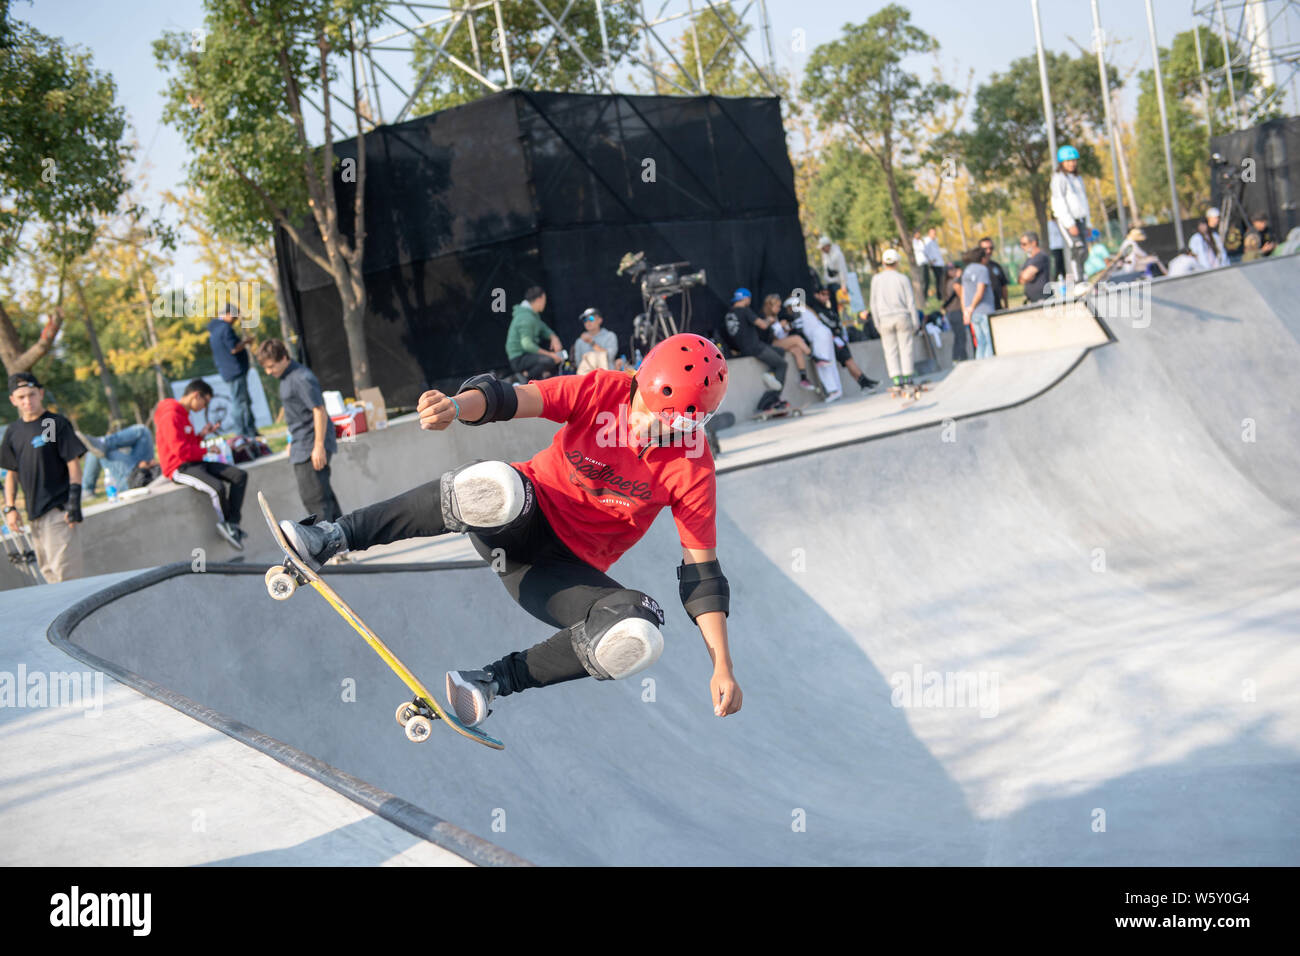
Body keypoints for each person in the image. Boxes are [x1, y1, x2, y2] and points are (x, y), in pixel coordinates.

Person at [275, 333, 742, 729]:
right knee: (499, 484)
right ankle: (331, 538)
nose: (643, 429)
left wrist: (721, 664)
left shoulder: (692, 466)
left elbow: (701, 574)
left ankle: (488, 682)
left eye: (662, 426)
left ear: (689, 425)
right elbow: (512, 397)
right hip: (516, 519)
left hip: (556, 576)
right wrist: (456, 406)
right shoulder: (603, 391)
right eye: (643, 411)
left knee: (639, 627)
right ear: (638, 381)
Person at [1, 372, 85, 583]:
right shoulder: (13, 432)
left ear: (41, 393)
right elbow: (12, 473)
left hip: (58, 512)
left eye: (31, 395)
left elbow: (72, 464)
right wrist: (10, 508)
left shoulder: (52, 424)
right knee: (49, 576)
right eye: (21, 397)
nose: (27, 401)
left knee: (67, 578)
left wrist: (74, 501)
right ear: (13, 400)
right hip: (34, 516)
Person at [155, 379, 249, 550]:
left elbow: (187, 442)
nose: (204, 408)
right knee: (217, 488)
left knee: (239, 476)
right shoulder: (171, 416)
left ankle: (233, 523)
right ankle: (226, 525)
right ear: (196, 395)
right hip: (179, 468)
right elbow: (180, 451)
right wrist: (206, 451)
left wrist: (201, 436)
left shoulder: (183, 414)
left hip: (194, 462)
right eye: (204, 403)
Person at [257, 339, 342, 525]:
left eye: (271, 366)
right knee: (321, 494)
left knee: (314, 498)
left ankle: (330, 545)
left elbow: (319, 410)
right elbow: (296, 413)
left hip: (311, 444)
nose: (269, 372)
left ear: (284, 358)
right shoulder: (285, 378)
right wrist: (291, 440)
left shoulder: (301, 378)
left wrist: (318, 446)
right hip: (301, 442)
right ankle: (343, 541)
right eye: (266, 367)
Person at [722, 288, 787, 412]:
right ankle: (771, 399)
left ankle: (771, 375)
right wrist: (769, 320)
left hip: (743, 349)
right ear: (746, 299)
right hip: (755, 347)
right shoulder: (745, 310)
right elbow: (762, 325)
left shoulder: (729, 314)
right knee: (782, 364)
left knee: (780, 351)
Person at [868, 249, 920, 396]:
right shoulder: (902, 278)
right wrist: (915, 321)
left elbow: (873, 303)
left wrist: (877, 323)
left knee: (890, 349)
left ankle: (897, 379)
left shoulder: (876, 279)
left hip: (884, 318)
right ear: (897, 262)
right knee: (906, 347)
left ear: (884, 263)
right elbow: (911, 301)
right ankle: (908, 377)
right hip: (902, 316)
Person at [809, 287, 878, 392]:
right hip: (831, 340)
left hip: (838, 338)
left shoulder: (828, 307)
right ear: (816, 295)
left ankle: (863, 383)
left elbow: (836, 321)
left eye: (827, 295)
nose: (826, 297)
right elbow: (829, 323)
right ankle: (864, 381)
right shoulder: (817, 309)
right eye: (823, 294)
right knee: (848, 360)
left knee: (848, 360)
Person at [207, 303, 258, 439]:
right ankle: (242, 433)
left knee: (243, 401)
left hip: (228, 370)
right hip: (235, 370)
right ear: (228, 314)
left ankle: (250, 430)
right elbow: (233, 348)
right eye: (234, 317)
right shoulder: (225, 329)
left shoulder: (215, 330)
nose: (235, 320)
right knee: (240, 403)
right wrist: (246, 342)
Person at [1050, 145, 1091, 286]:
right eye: (1068, 161)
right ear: (1062, 162)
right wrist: (1069, 223)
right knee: (1077, 248)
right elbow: (1058, 202)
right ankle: (1077, 281)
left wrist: (1089, 223)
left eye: (1073, 160)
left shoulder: (1077, 178)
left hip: (1080, 218)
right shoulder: (1058, 179)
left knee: (1085, 251)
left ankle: (1083, 276)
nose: (1071, 164)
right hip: (1067, 220)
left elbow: (1084, 201)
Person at [78, 424, 157, 497]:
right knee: (142, 430)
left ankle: (87, 490)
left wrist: (145, 467)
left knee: (97, 450)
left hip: (135, 478)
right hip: (143, 468)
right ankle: (104, 442)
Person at [506, 286, 563, 381]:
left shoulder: (532, 315)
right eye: (544, 299)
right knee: (549, 360)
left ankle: (533, 376)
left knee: (552, 360)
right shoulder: (526, 317)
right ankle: (523, 376)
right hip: (519, 358)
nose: (545, 303)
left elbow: (543, 328)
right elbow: (527, 345)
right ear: (540, 299)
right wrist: (550, 355)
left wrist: (554, 338)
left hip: (527, 355)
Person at [760, 294, 815, 391]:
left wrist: (785, 328)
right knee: (797, 339)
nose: (779, 309)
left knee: (797, 349)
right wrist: (779, 326)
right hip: (769, 344)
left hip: (778, 341)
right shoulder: (763, 316)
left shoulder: (775, 317)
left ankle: (803, 378)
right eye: (777, 306)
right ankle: (814, 357)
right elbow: (766, 334)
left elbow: (779, 334)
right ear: (770, 306)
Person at [961, 246, 996, 360]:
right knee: (989, 340)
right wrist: (972, 306)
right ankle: (989, 365)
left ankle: (979, 365)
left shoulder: (966, 270)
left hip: (972, 313)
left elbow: (964, 292)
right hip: (984, 309)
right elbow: (980, 291)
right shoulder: (982, 269)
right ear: (982, 258)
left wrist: (966, 310)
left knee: (980, 342)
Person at [572, 308, 625, 374]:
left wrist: (592, 343)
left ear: (600, 320)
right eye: (585, 320)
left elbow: (609, 356)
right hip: (587, 378)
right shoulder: (579, 341)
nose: (587, 322)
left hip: (606, 376)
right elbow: (578, 363)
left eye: (591, 319)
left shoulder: (609, 336)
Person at [941, 265, 968, 362]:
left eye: (954, 269)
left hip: (951, 313)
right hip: (956, 311)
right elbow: (960, 292)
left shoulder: (946, 283)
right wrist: (959, 276)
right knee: (961, 336)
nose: (954, 271)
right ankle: (963, 358)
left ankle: (956, 358)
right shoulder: (953, 282)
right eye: (951, 270)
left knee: (957, 336)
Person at [1017, 232, 1051, 303]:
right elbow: (1020, 280)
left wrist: (1025, 275)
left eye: (1024, 244)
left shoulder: (1041, 256)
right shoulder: (1028, 259)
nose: (1022, 247)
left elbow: (1025, 277)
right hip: (1032, 300)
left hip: (1042, 298)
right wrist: (1025, 276)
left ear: (1034, 243)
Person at [978, 236, 1009, 310]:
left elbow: (1003, 286)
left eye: (991, 248)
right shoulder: (975, 268)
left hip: (997, 306)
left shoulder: (996, 266)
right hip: (982, 308)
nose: (988, 251)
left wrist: (1006, 305)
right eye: (985, 249)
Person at [818, 236, 849, 304]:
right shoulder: (825, 255)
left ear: (827, 246)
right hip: (830, 284)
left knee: (841, 304)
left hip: (838, 284)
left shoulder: (837, 254)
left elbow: (842, 270)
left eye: (823, 247)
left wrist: (843, 285)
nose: (822, 250)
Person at [923, 228, 946, 300]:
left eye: (935, 233)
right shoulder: (927, 242)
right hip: (935, 264)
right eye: (933, 233)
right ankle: (939, 296)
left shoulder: (935, 241)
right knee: (939, 280)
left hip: (940, 263)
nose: (934, 234)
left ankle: (942, 295)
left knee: (941, 280)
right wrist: (931, 261)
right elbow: (925, 252)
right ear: (929, 233)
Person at [911, 231, 933, 300]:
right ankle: (923, 297)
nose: (919, 234)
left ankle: (925, 296)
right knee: (923, 280)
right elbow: (920, 249)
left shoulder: (920, 241)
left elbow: (925, 251)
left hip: (925, 262)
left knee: (927, 280)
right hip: (920, 263)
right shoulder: (914, 242)